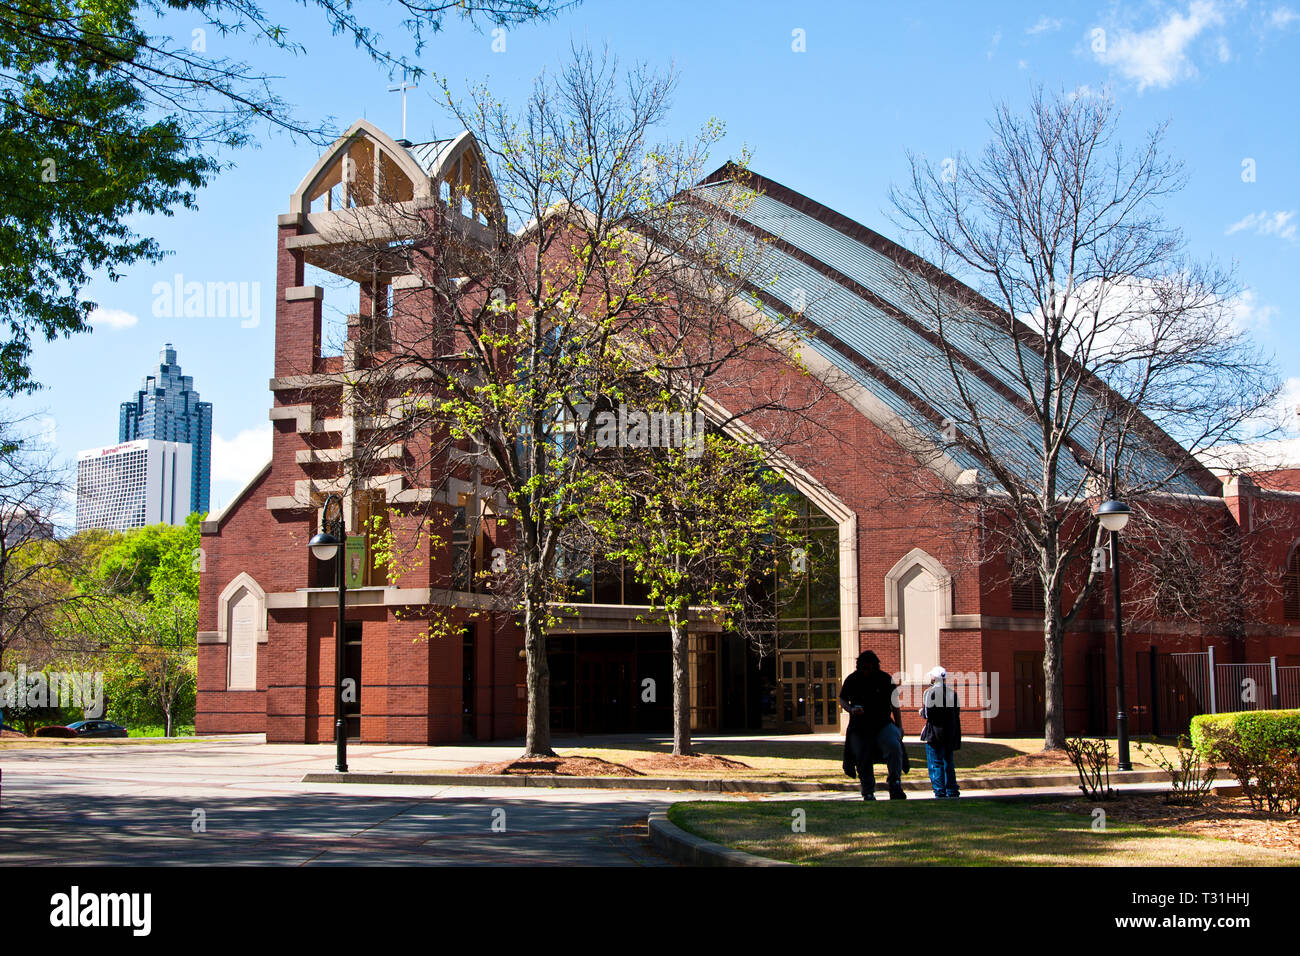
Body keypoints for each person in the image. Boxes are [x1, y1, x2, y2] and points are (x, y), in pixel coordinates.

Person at [839, 650, 907, 800]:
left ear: (875, 667)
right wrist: (850, 709)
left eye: (869, 669)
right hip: (860, 726)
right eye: (863, 668)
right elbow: (842, 699)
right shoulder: (852, 679)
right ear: (859, 667)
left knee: (894, 747)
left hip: (882, 723)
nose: (866, 672)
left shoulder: (885, 679)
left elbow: (895, 704)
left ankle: (895, 783)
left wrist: (899, 726)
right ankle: (868, 789)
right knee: (862, 755)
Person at [919, 665, 961, 798]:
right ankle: (952, 790)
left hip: (935, 734)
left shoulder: (929, 693)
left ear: (934, 678)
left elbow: (927, 714)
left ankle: (940, 791)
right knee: (948, 762)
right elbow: (956, 714)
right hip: (949, 733)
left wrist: (921, 712)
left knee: (935, 763)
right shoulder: (952, 693)